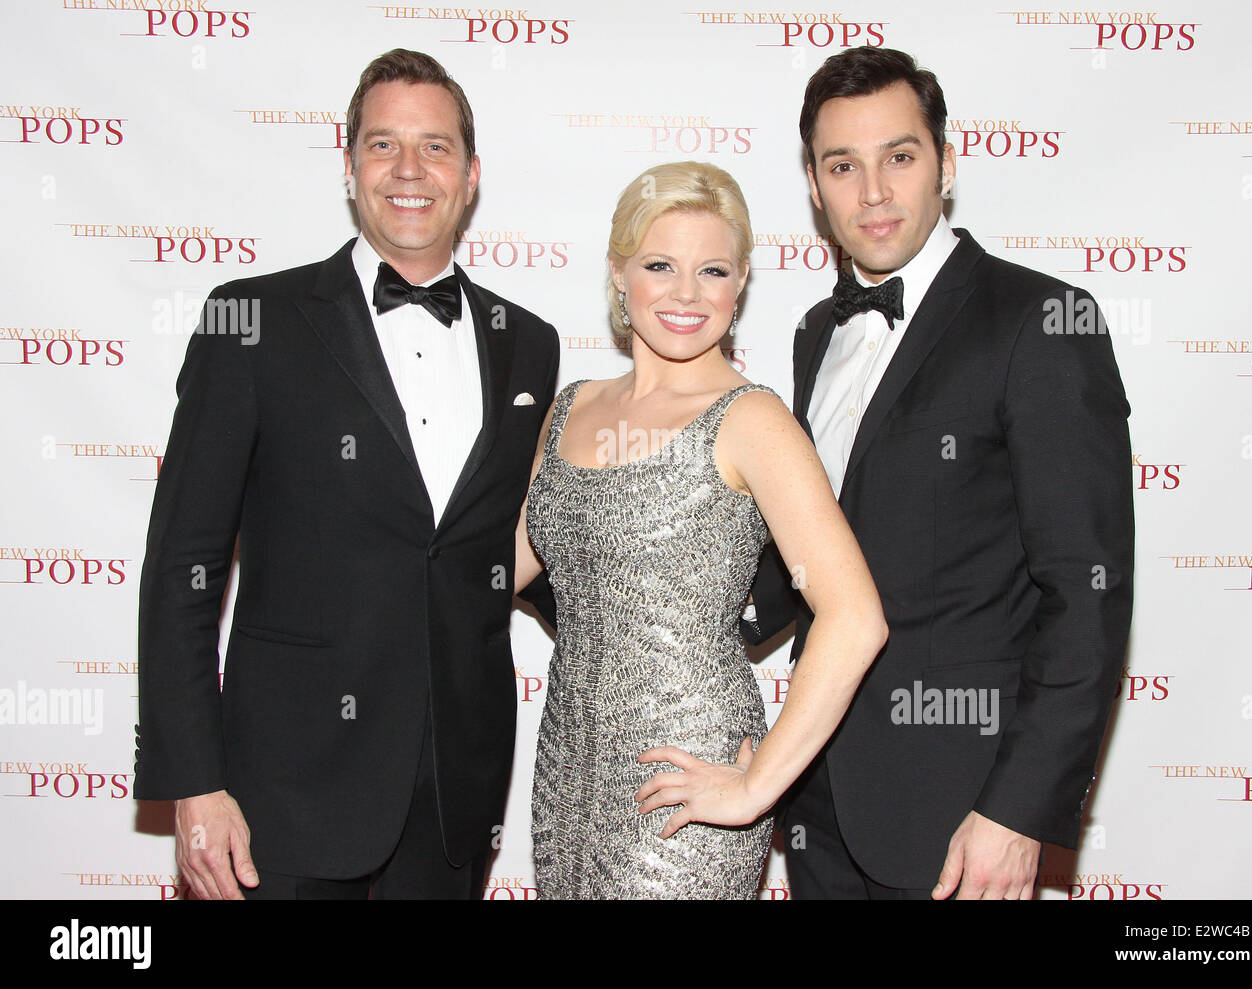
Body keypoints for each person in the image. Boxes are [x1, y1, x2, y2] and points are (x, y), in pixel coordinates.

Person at [133, 49, 559, 899]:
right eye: (383, 145)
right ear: (349, 164)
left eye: (435, 147)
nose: (410, 170)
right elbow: (181, 568)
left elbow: (510, 551)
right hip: (279, 798)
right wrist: (194, 780)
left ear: (471, 176)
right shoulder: (251, 321)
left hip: (454, 797)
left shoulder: (529, 342)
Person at [742, 47, 1134, 899]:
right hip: (818, 805)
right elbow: (815, 558)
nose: (873, 192)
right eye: (843, 166)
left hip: (961, 823)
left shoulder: (1040, 321)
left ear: (947, 165)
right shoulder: (819, 333)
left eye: (900, 157)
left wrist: (1018, 813)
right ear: (813, 186)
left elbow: (1087, 592)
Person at [512, 161, 888, 899]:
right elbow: (499, 568)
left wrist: (756, 786)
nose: (687, 294)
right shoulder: (572, 407)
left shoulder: (752, 419)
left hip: (686, 788)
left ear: (740, 282)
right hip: (566, 774)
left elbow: (856, 618)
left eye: (712, 270)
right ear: (619, 274)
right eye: (660, 265)